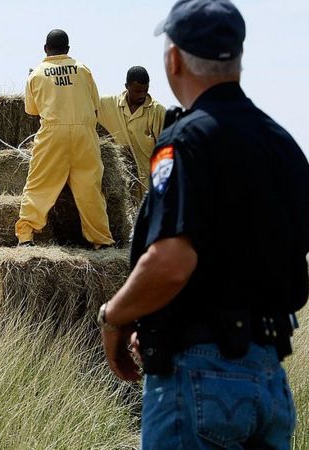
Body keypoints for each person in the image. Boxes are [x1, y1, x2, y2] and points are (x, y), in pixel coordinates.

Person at [98, 1, 309, 448]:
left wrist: (115, 317)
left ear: (173, 59)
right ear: (237, 58)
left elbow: (173, 262)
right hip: (269, 377)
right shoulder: (284, 145)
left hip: (196, 381)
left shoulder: (187, 139)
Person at [15, 29, 114, 249]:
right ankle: (102, 239)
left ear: (45, 49)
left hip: (53, 133)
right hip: (84, 134)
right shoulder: (83, 69)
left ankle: (26, 235)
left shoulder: (37, 73)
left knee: (39, 183)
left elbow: (32, 110)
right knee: (89, 188)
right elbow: (95, 103)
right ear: (68, 49)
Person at [98, 66, 166, 201]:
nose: (142, 95)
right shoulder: (108, 104)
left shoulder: (156, 111)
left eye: (145, 91)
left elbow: (166, 149)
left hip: (150, 182)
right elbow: (87, 108)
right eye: (137, 91)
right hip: (124, 182)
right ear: (127, 86)